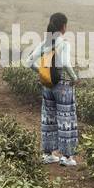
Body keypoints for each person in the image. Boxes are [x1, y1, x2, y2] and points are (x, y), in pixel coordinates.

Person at [26, 12, 79, 166]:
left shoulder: (44, 43)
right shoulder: (64, 43)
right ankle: (66, 157)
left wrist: (42, 73)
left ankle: (47, 154)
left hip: (47, 84)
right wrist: (75, 78)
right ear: (63, 27)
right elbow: (66, 63)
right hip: (62, 85)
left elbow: (29, 62)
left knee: (48, 117)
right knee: (65, 118)